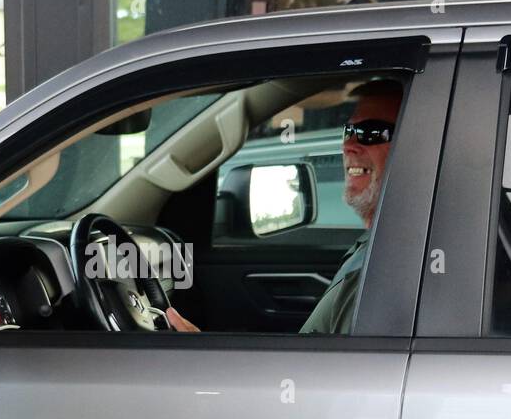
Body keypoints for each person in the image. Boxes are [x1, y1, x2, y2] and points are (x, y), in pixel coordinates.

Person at [165, 78, 403, 334]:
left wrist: (206, 357)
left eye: (371, 133)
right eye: (348, 131)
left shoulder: (389, 271)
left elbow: (333, 363)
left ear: (413, 146)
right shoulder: (376, 248)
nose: (348, 146)